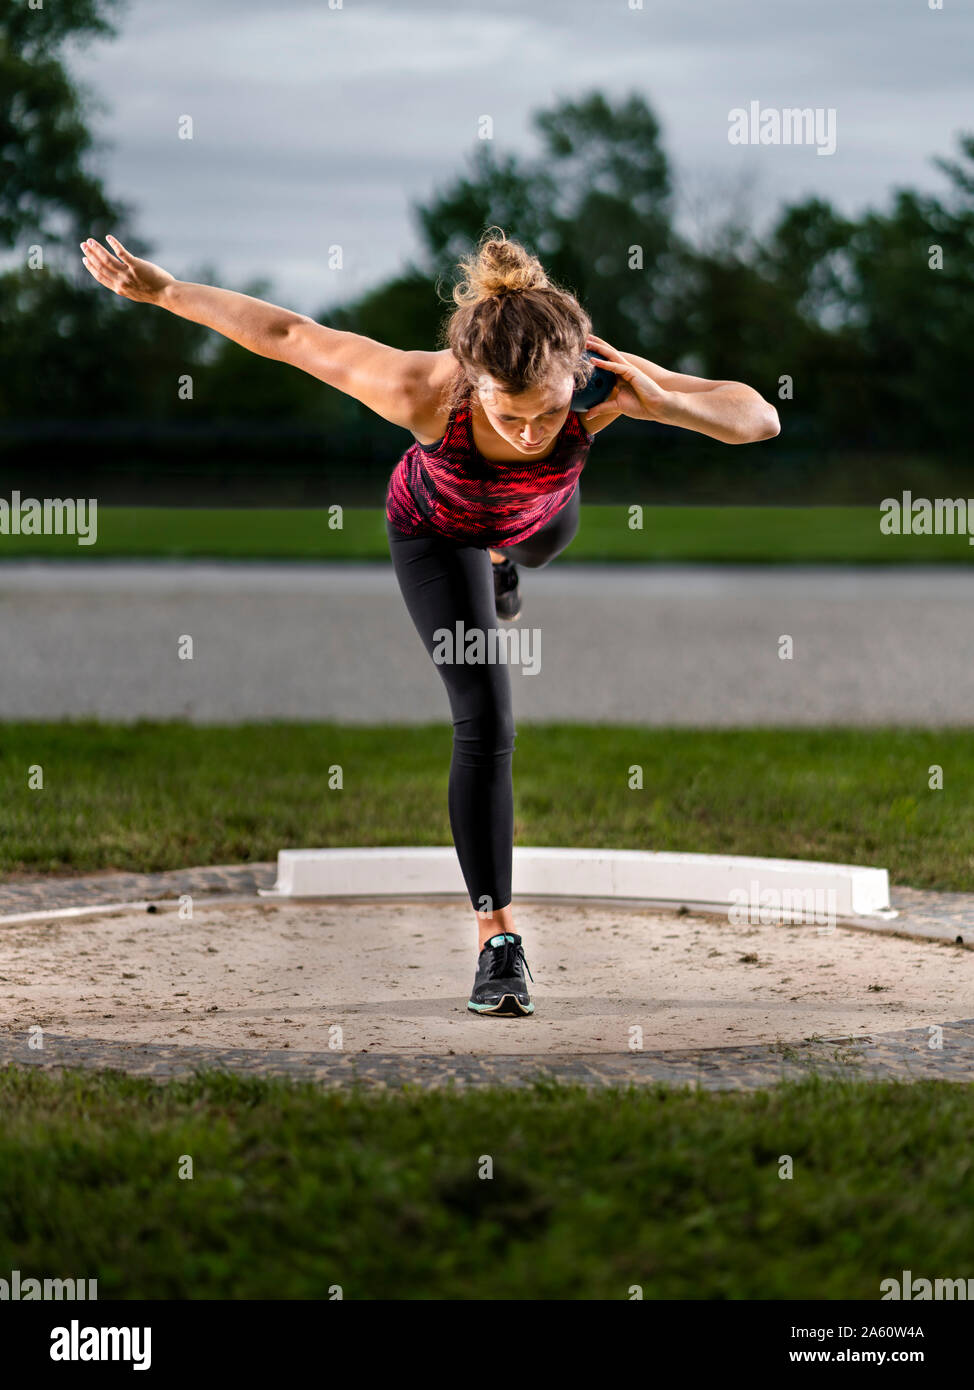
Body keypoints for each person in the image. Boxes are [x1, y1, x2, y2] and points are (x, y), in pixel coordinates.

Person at [79, 225, 780, 1019]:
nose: (526, 433)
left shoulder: (596, 379)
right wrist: (165, 291)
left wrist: (667, 404)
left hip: (537, 523)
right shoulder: (421, 389)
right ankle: (498, 939)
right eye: (508, 414)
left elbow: (758, 419)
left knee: (542, 542)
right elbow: (289, 335)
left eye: (546, 414)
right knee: (485, 718)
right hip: (435, 530)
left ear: (573, 379)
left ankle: (505, 567)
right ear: (473, 382)